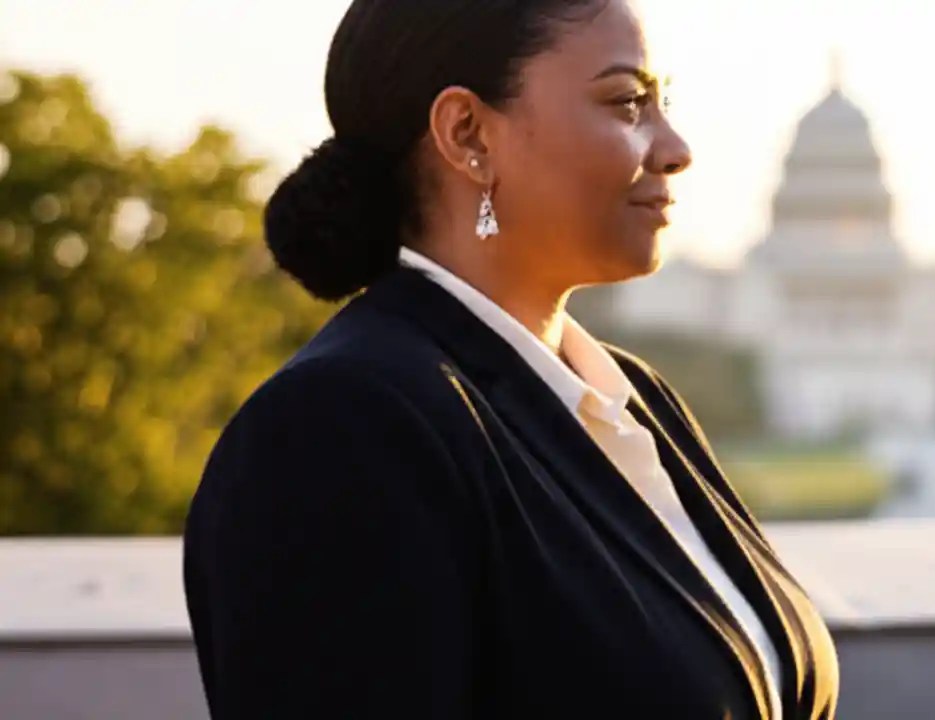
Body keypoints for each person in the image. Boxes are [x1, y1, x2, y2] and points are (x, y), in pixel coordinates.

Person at [181, 1, 840, 717]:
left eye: (662, 104)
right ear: (468, 134)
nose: (675, 147)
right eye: (626, 103)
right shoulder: (340, 429)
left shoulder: (632, 399)